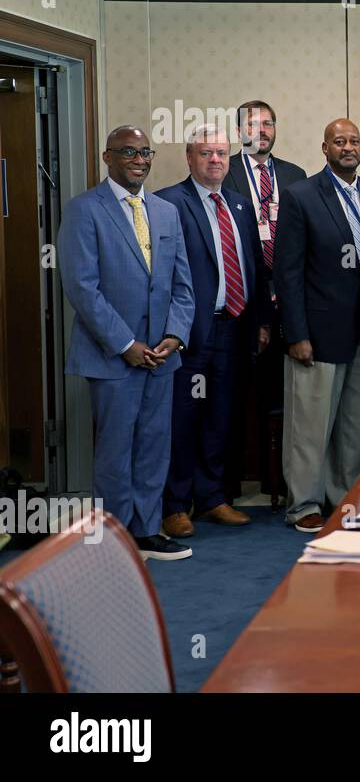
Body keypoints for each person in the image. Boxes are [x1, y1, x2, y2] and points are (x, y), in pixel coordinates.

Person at [58, 125, 195, 559]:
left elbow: (182, 285)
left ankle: (147, 531)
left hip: (162, 357)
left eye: (145, 152)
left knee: (154, 446)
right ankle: (114, 542)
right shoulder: (84, 210)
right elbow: (82, 288)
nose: (139, 159)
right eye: (128, 152)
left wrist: (174, 336)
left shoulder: (166, 211)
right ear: (108, 157)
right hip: (113, 357)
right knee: (116, 451)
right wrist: (126, 344)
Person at [274, 119, 360, 532]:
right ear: (324, 148)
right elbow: (287, 273)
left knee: (357, 427)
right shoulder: (300, 197)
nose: (348, 147)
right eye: (339, 141)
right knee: (309, 425)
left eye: (354, 140)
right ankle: (303, 503)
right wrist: (296, 334)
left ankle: (346, 497)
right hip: (317, 334)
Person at [156, 126, 269, 538]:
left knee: (222, 415)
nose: (216, 161)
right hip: (190, 333)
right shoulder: (168, 202)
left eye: (221, 153)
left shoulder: (239, 205)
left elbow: (254, 268)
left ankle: (212, 498)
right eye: (207, 154)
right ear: (190, 158)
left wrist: (259, 322)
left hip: (234, 328)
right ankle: (174, 505)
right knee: (184, 416)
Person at [222, 100, 306, 501]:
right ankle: (228, 485)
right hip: (240, 293)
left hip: (287, 293)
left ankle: (285, 484)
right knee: (235, 391)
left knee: (284, 393)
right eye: (253, 124)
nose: (262, 131)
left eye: (269, 123)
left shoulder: (295, 176)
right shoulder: (225, 170)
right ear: (239, 131)